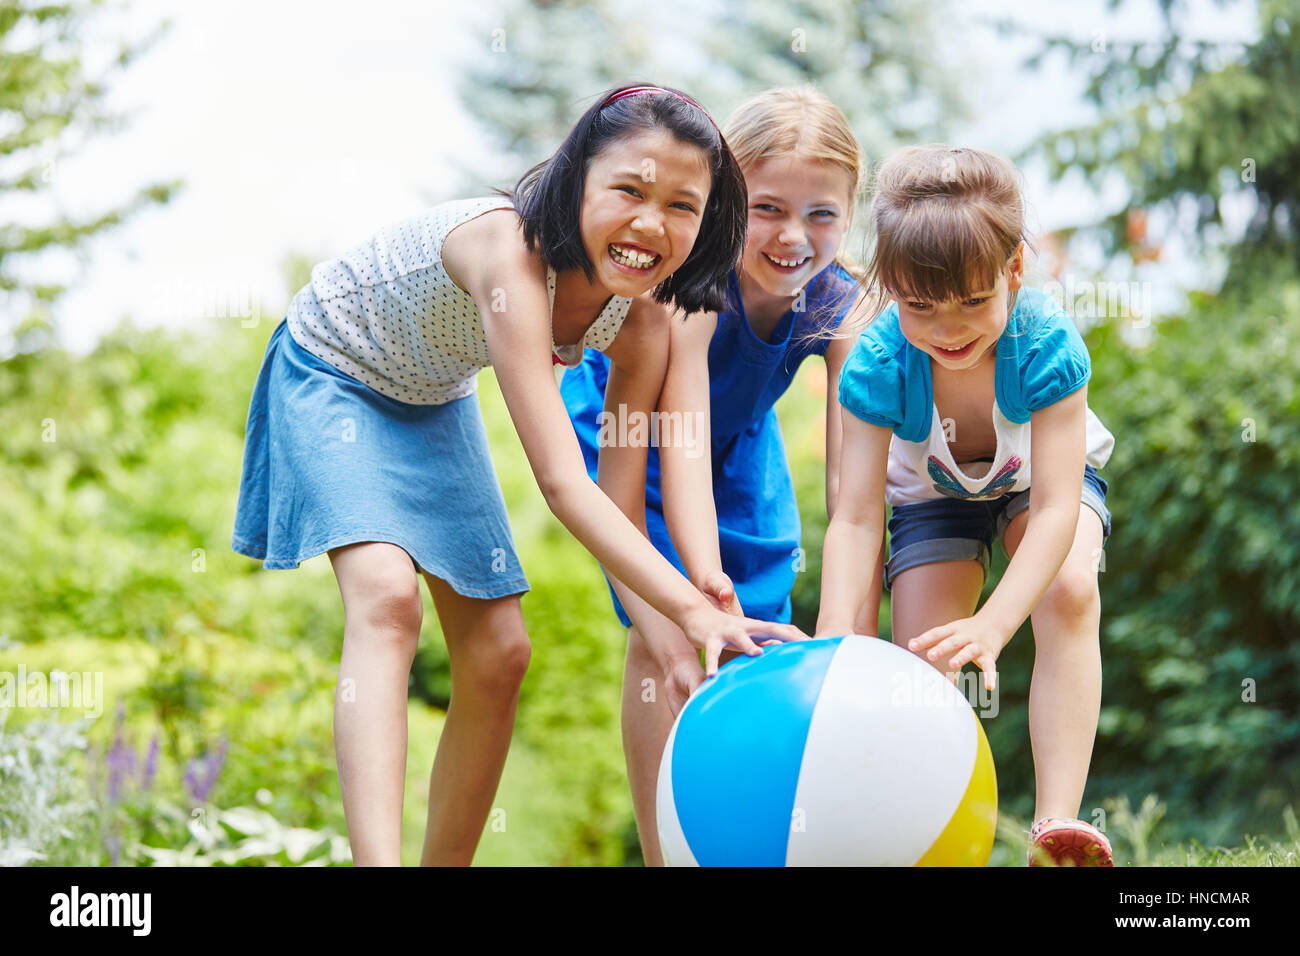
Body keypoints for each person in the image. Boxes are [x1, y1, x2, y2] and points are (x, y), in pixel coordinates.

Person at [231, 83, 804, 867]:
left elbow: (618, 509)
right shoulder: (510, 256)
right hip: (334, 370)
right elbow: (562, 484)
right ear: (575, 182)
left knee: (501, 653)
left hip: (431, 398)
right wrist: (688, 610)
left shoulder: (641, 325)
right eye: (628, 190)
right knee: (390, 600)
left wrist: (683, 630)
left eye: (681, 205)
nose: (648, 223)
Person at [561, 86, 880, 866]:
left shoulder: (844, 303)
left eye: (822, 215)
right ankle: (664, 849)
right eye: (768, 208)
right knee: (669, 632)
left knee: (760, 627)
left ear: (849, 213)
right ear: (729, 201)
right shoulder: (691, 291)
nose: (794, 237)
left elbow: (852, 497)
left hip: (740, 446)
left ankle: (755, 841)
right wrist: (700, 581)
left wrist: (846, 648)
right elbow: (681, 440)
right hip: (631, 427)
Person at [817, 145, 1117, 867]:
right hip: (933, 500)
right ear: (891, 287)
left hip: (1041, 490)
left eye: (973, 301)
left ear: (1015, 270)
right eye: (920, 306)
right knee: (925, 658)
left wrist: (995, 622)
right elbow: (856, 520)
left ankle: (1056, 828)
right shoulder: (877, 365)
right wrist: (833, 649)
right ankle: (932, 837)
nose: (948, 329)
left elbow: (1051, 510)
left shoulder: (1045, 344)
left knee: (1070, 589)